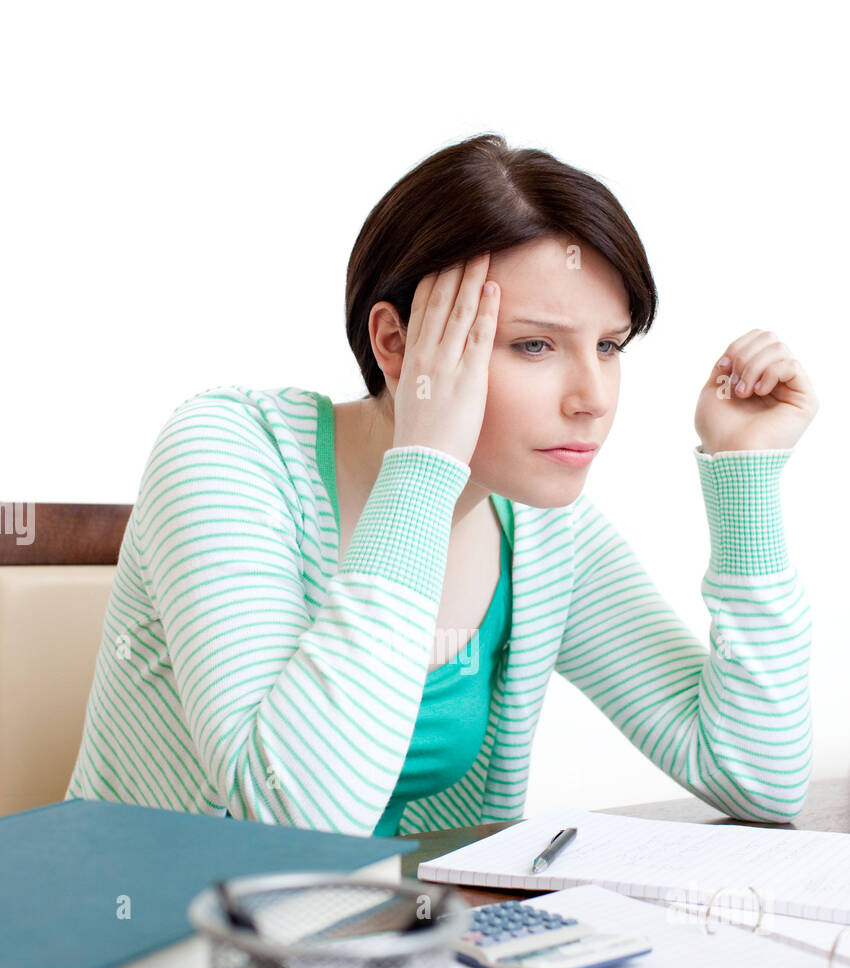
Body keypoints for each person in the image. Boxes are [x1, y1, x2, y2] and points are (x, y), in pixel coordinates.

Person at [65, 133, 818, 835]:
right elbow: (294, 821)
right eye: (533, 345)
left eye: (610, 346)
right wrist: (425, 464)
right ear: (396, 343)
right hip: (149, 955)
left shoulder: (541, 530)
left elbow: (759, 775)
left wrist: (745, 480)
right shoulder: (228, 452)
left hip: (385, 951)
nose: (593, 395)